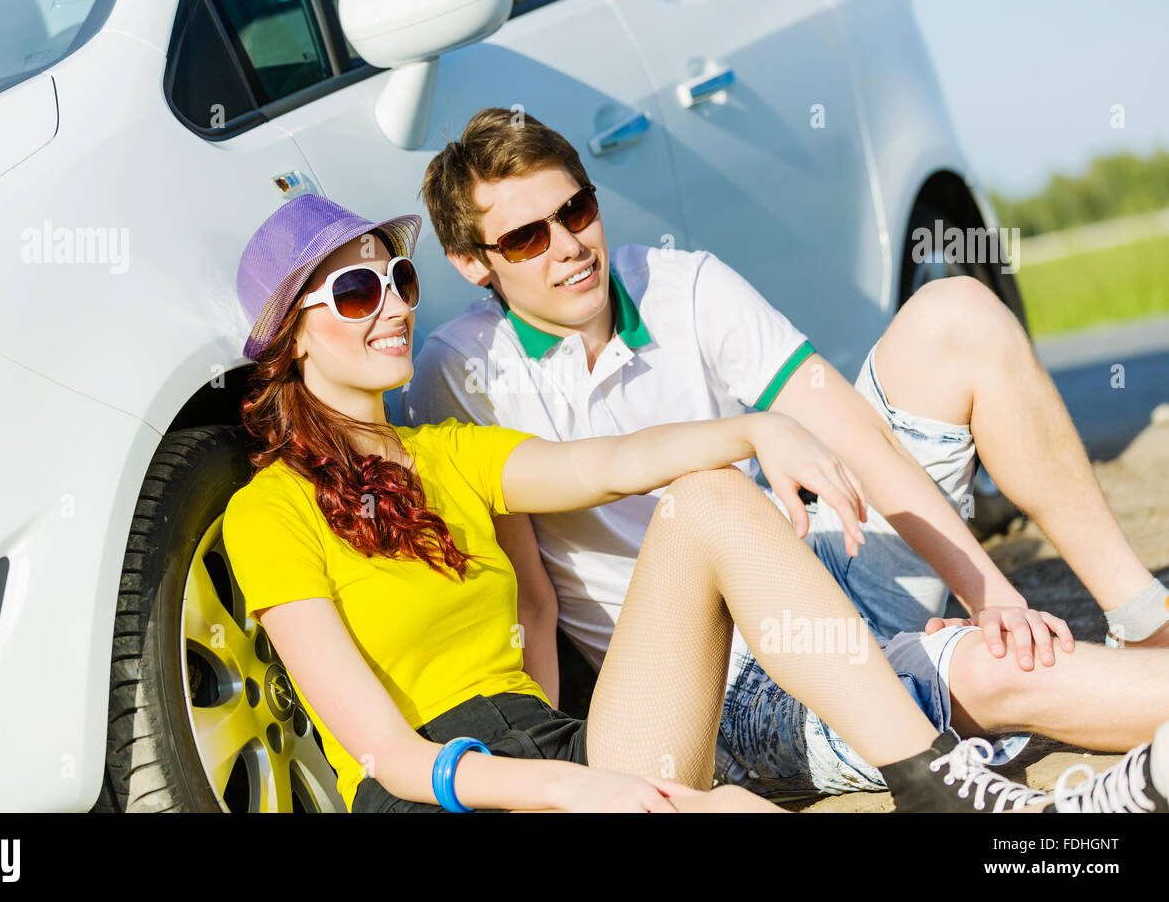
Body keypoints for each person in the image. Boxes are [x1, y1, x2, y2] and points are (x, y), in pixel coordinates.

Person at [220, 193, 1141, 813]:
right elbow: (382, 754)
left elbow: (615, 462)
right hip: (459, 789)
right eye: (354, 290)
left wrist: (753, 434)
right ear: (290, 341)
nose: (390, 304)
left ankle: (946, 785)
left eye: (397, 279)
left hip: (571, 752)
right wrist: (578, 792)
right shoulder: (269, 513)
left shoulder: (449, 453)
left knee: (706, 499)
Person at [402, 107, 1169, 812]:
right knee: (989, 671)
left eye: (576, 210)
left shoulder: (682, 283)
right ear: (473, 262)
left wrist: (988, 593)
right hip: (730, 675)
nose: (569, 247)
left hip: (815, 555)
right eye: (527, 238)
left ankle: (1142, 619)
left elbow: (853, 434)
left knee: (956, 314)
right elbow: (529, 599)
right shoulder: (461, 373)